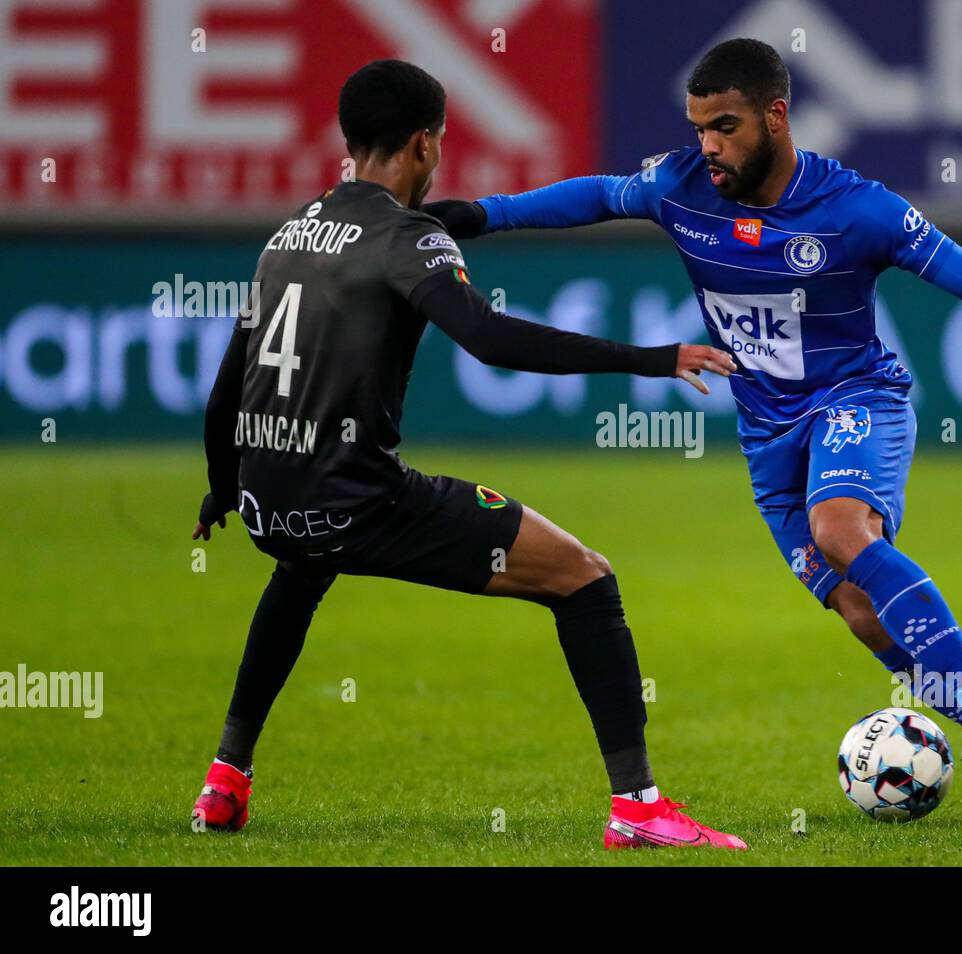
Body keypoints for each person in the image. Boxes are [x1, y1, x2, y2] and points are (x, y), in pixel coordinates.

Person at [426, 38, 962, 823]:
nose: (709, 147)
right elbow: (596, 194)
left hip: (857, 399)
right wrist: (485, 215)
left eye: (725, 127)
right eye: (698, 129)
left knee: (839, 528)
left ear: (777, 115)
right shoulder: (680, 185)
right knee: (860, 611)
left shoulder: (858, 208)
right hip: (766, 436)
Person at [190, 59, 745, 850]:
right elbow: (486, 337)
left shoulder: (291, 234)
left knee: (301, 566)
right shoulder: (405, 239)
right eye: (439, 143)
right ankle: (639, 807)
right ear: (424, 143)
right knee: (584, 576)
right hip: (360, 504)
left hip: (269, 504)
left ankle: (225, 779)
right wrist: (651, 359)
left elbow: (226, 386)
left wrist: (222, 488)